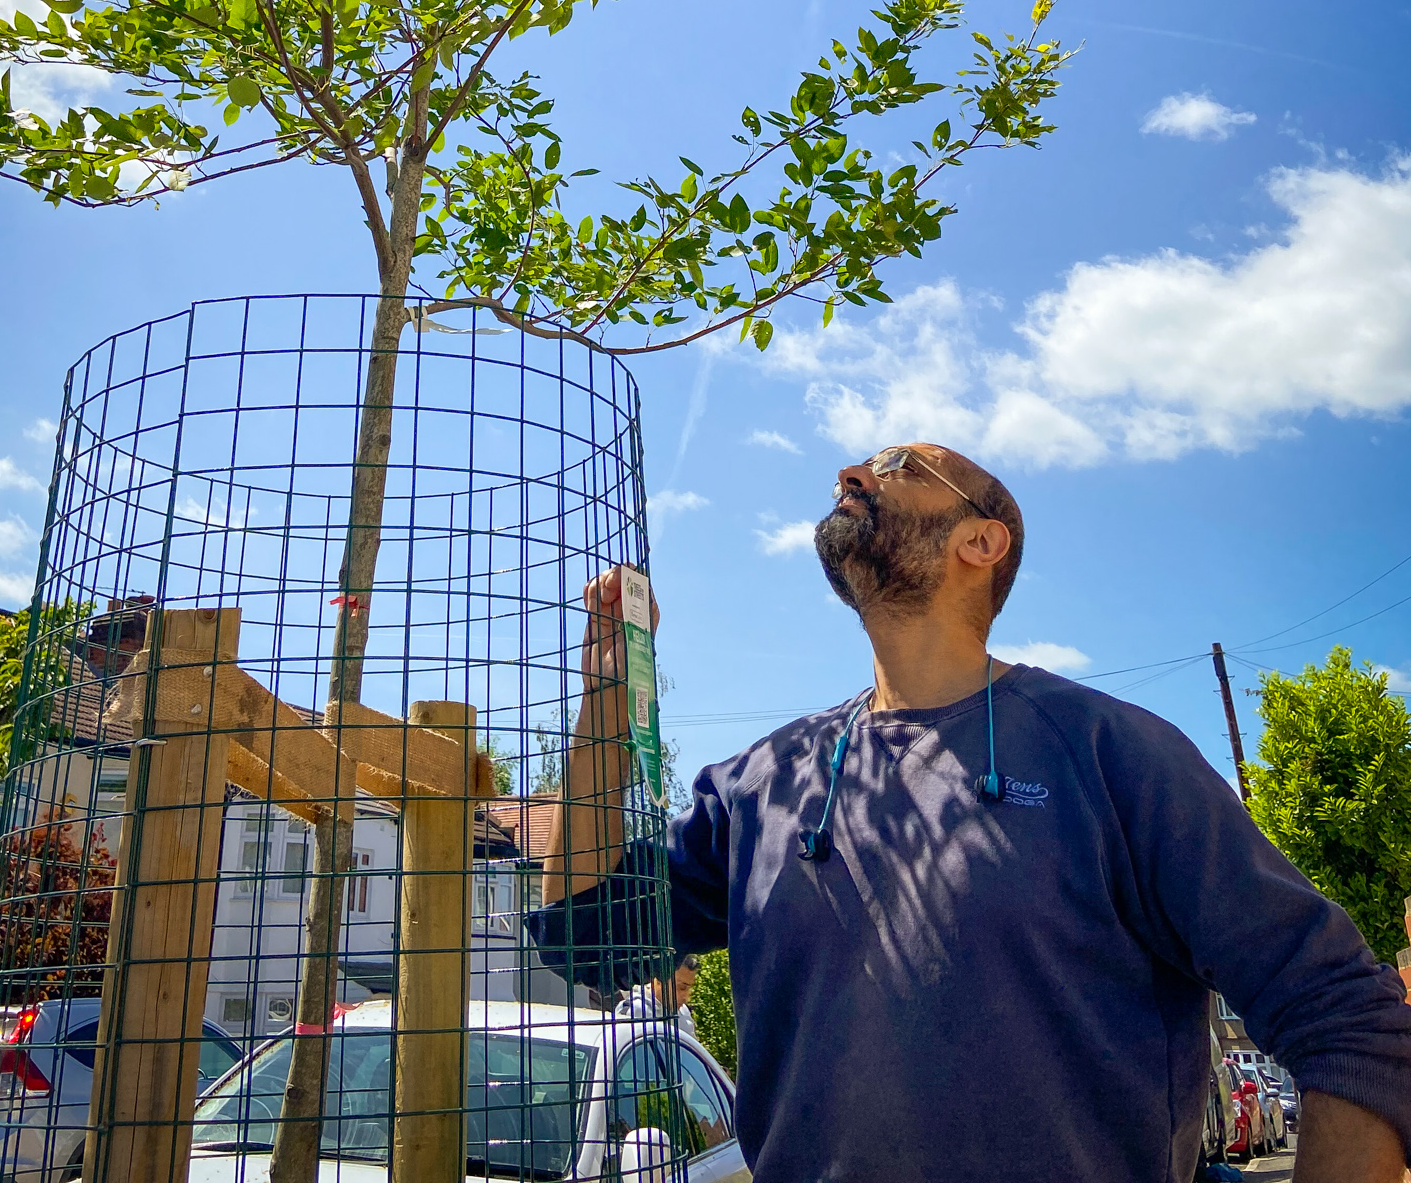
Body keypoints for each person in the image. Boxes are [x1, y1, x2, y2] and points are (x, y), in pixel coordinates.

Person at [530, 442, 1411, 1183]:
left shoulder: (1112, 756)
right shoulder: (765, 782)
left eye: (900, 465)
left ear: (982, 541)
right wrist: (607, 699)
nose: (853, 472)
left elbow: (1351, 1023)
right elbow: (586, 929)